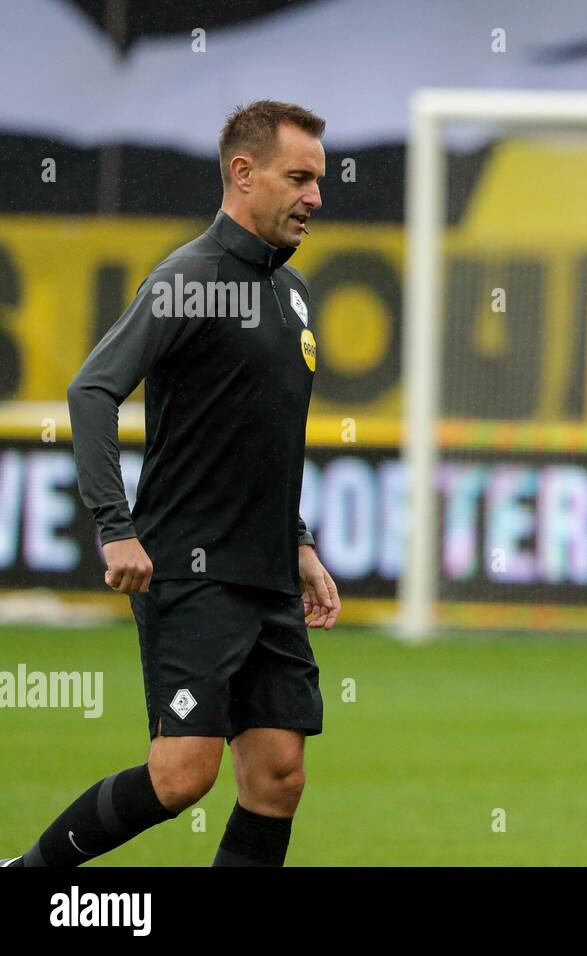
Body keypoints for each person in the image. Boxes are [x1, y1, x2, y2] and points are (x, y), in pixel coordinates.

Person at [2, 100, 339, 868]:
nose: (316, 196)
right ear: (243, 173)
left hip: (267, 579)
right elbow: (92, 389)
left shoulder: (293, 294)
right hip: (195, 572)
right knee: (182, 776)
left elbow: (264, 441)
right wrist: (114, 525)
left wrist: (299, 543)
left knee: (279, 777)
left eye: (318, 180)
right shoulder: (188, 279)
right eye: (299, 178)